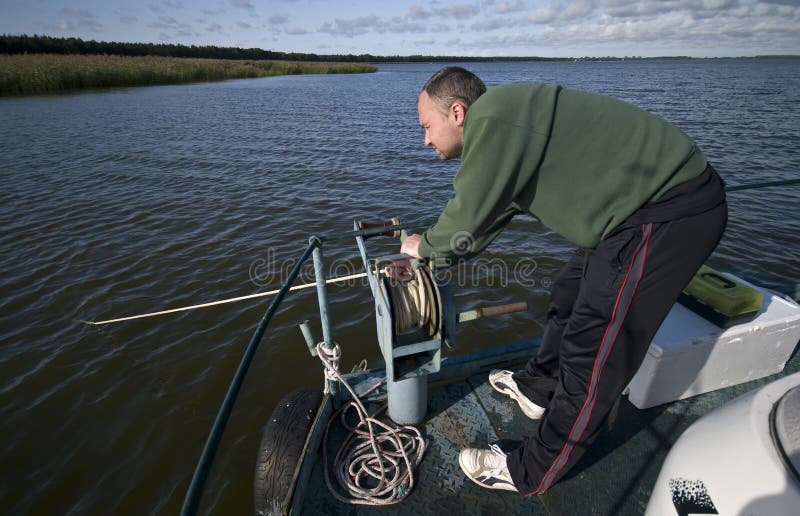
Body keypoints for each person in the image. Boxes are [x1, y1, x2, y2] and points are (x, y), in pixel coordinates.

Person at [396, 66, 728, 495]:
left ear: (457, 112)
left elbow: (469, 215)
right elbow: (481, 222)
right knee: (568, 292)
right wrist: (443, 245)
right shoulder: (506, 123)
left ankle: (531, 470)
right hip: (626, 212)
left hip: (667, 210)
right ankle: (537, 388)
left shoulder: (494, 120)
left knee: (593, 351)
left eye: (427, 126)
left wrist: (422, 249)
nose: (425, 140)